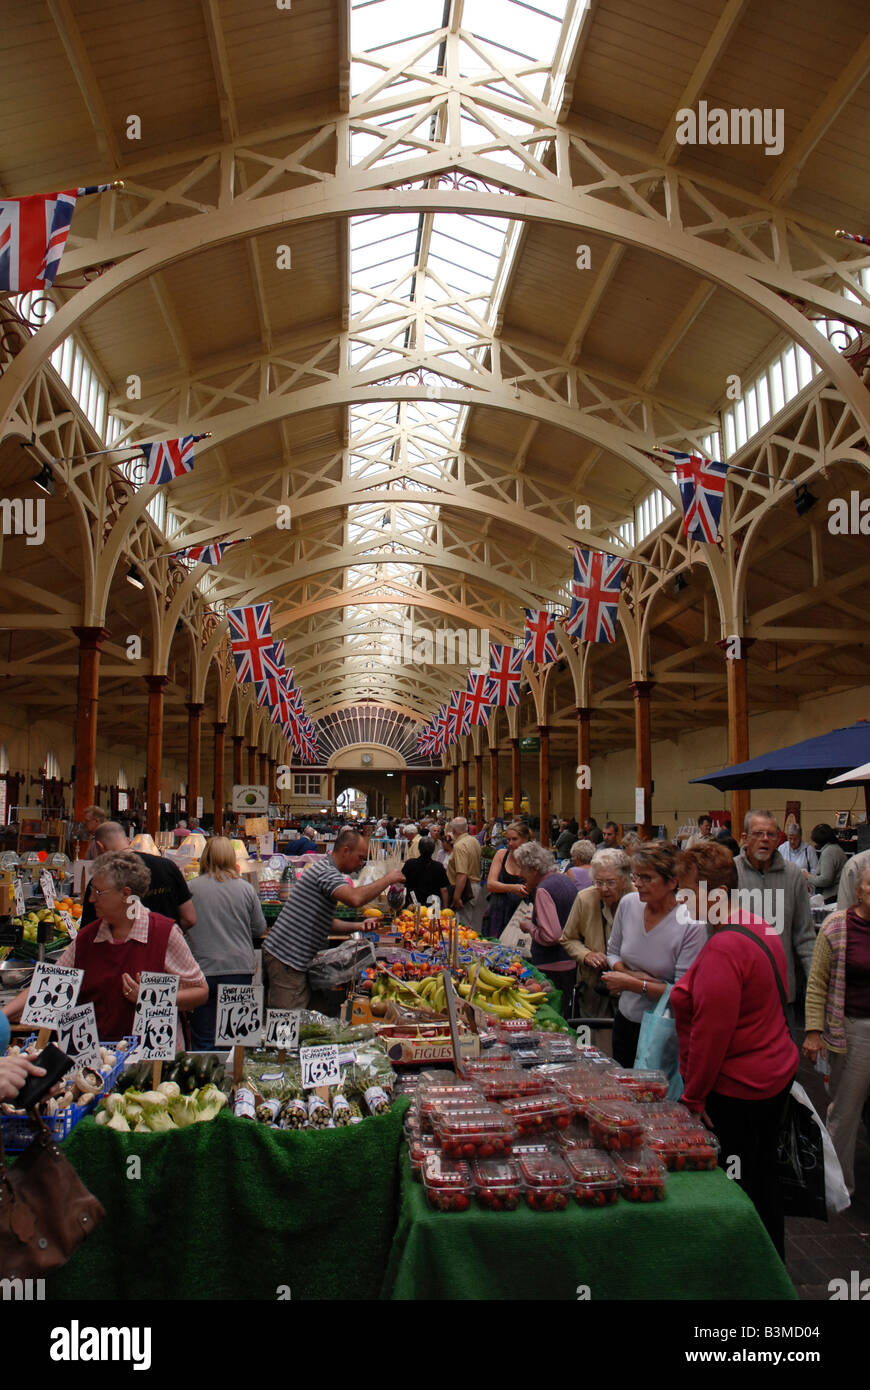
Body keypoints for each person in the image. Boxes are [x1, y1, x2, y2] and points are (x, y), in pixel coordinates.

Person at [671, 841, 799, 1259]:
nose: (681, 899)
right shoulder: (758, 926)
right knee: (764, 1178)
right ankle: (769, 1256)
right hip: (773, 1073)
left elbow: (713, 1035)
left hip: (739, 1088)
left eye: (688, 891)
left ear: (718, 894)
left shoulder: (725, 947)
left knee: (738, 1184)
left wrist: (693, 1098)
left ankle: (742, 1264)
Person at [3, 852, 207, 1041]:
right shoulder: (88, 938)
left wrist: (149, 996)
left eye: (99, 892)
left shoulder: (163, 933)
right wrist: (3, 1017)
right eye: (92, 891)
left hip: (150, 1064)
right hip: (100, 1063)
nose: (91, 899)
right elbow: (47, 984)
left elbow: (200, 992)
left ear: (125, 894)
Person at [264, 827, 404, 1010]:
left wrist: (359, 926)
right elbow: (355, 899)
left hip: (293, 959)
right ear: (346, 851)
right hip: (287, 958)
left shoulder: (327, 871)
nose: (361, 863)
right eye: (360, 857)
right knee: (287, 1022)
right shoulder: (326, 872)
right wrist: (388, 879)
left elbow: (326, 923)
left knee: (306, 1013)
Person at [603, 842, 706, 1067]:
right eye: (635, 877)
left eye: (647, 878)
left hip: (664, 1030)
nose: (638, 884)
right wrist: (634, 977)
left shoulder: (691, 923)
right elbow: (612, 953)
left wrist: (632, 984)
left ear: (672, 881)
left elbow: (682, 993)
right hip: (625, 1022)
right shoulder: (628, 904)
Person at [803, 863, 870, 1196]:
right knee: (846, 1111)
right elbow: (817, 984)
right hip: (854, 1030)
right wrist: (814, 1031)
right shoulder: (837, 926)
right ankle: (839, 1185)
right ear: (859, 891)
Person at [735, 810, 816, 1023]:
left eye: (771, 834)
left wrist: (816, 990)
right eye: (758, 833)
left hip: (782, 993)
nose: (765, 839)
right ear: (744, 838)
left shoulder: (793, 876)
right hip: (739, 993)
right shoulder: (730, 873)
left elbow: (805, 937)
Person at [186, 837, 267, 1050]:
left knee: (203, 1038)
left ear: (205, 857)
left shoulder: (190, 888)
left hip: (201, 972)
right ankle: (233, 1080)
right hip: (238, 970)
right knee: (236, 1038)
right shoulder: (246, 889)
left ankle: (206, 1079)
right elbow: (259, 929)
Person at [80, 822, 196, 931]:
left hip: (121, 951)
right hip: (164, 948)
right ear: (127, 840)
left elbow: (89, 931)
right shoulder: (168, 866)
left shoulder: (100, 882)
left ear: (100, 846)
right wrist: (164, 936)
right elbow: (189, 918)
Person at [561, 848, 633, 1018]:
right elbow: (568, 938)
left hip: (630, 986)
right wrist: (586, 955)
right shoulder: (585, 898)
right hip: (593, 987)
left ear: (624, 880)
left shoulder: (638, 898)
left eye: (611, 882)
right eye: (598, 882)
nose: (604, 889)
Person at [513, 841, 579, 996]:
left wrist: (530, 927)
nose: (520, 874)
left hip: (552, 965)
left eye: (523, 869)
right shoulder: (564, 880)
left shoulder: (544, 889)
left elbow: (551, 936)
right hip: (570, 960)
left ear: (535, 869)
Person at [485, 820, 530, 935]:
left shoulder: (533, 858)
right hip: (499, 911)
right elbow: (490, 884)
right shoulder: (501, 854)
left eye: (514, 839)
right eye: (508, 840)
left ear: (525, 839)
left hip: (521, 913)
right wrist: (514, 888)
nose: (510, 843)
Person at [446, 817, 482, 927]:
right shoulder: (474, 840)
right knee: (468, 920)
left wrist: (457, 896)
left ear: (454, 830)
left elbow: (462, 874)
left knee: (462, 925)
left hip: (465, 889)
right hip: (474, 885)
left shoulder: (459, 846)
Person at [402, 837, 449, 910]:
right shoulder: (438, 867)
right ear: (433, 850)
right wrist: (445, 908)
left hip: (412, 905)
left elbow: (401, 884)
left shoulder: (409, 864)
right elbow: (444, 889)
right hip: (433, 907)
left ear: (419, 849)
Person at [805, 824, 847, 902]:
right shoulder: (835, 849)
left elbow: (825, 880)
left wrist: (808, 876)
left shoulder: (829, 852)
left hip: (832, 896)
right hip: (837, 894)